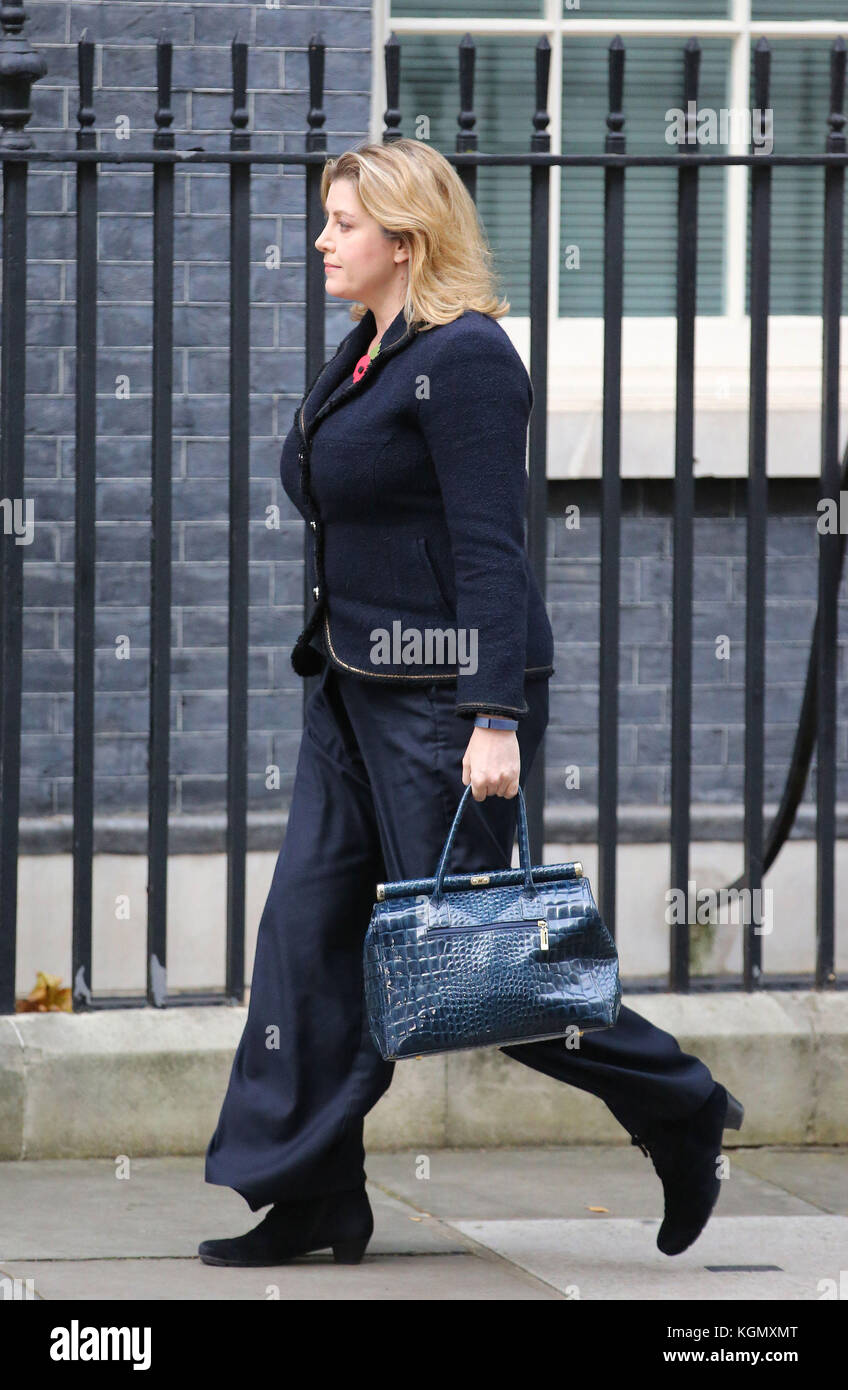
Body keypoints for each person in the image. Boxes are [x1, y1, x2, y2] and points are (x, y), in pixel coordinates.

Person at [198, 138, 744, 1269]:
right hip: (351, 694)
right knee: (304, 943)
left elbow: (493, 550)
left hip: (446, 706)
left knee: (493, 974)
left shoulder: (470, 361)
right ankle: (313, 1195)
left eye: (341, 223)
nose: (320, 241)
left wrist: (493, 715)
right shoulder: (369, 354)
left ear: (404, 239)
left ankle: (678, 1105)